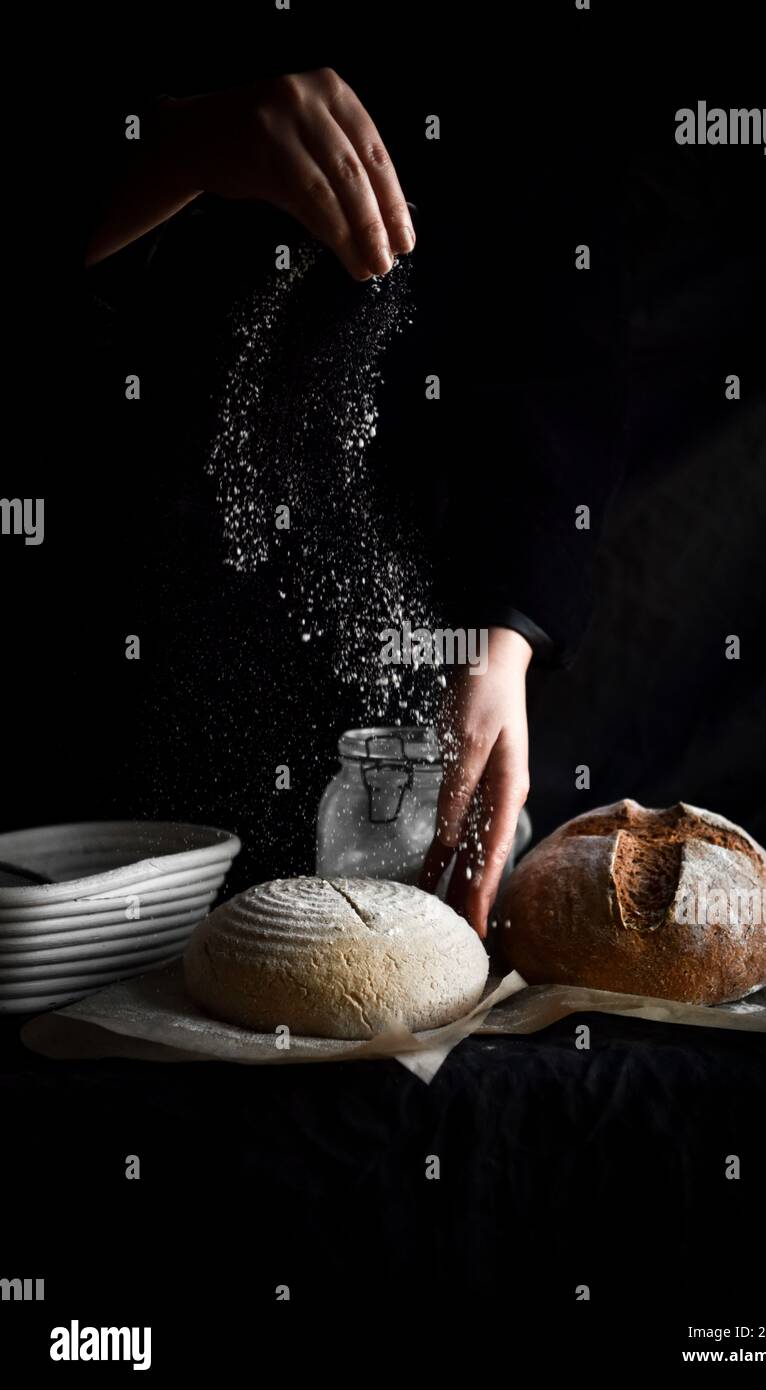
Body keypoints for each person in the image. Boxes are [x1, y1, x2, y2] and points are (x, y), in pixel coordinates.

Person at [86, 69, 539, 937]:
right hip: (101, 662)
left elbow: (561, 329)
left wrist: (510, 625)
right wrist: (159, 141)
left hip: (417, 663)